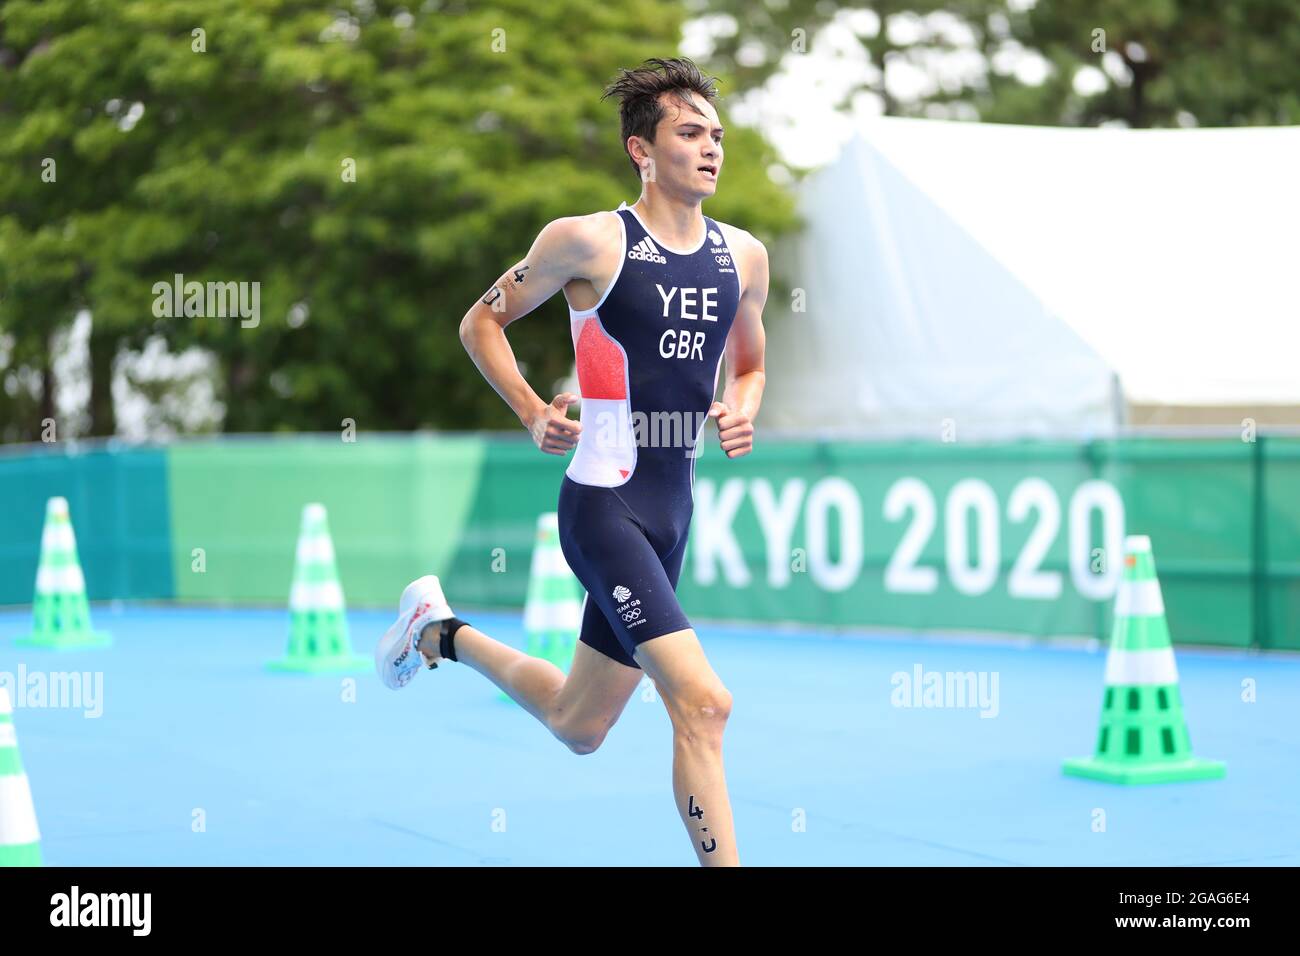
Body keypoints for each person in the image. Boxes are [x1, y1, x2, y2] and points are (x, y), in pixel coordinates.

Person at [375, 57, 768, 867]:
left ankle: (439, 633)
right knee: (702, 703)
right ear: (642, 150)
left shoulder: (745, 258)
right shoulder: (588, 241)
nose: (711, 149)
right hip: (604, 508)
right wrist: (529, 410)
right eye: (689, 133)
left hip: (671, 519)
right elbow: (480, 322)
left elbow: (752, 364)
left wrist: (743, 409)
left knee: (578, 725)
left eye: (716, 134)